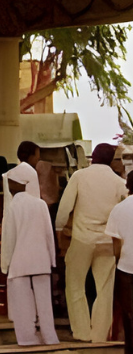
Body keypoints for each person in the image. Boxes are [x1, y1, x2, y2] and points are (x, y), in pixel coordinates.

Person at [56, 142, 128, 342]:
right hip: (107, 240)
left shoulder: (80, 176)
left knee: (75, 285)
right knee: (104, 288)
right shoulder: (118, 182)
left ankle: (81, 332)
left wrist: (59, 229)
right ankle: (99, 334)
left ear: (93, 157)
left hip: (82, 238)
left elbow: (65, 208)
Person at [1, 161, 58, 345]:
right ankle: (50, 337)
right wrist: (52, 259)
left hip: (20, 260)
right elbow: (49, 235)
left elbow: (10, 238)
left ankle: (27, 338)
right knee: (44, 302)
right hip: (41, 259)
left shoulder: (12, 207)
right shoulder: (40, 204)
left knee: (22, 303)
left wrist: (6, 262)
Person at [104, 171, 133, 354]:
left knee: (129, 316)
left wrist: (118, 261)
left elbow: (116, 245)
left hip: (126, 268)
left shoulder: (119, 209)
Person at [18, 140, 60, 216]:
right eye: (37, 157)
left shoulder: (15, 173)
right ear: (30, 157)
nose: (39, 157)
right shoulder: (41, 167)